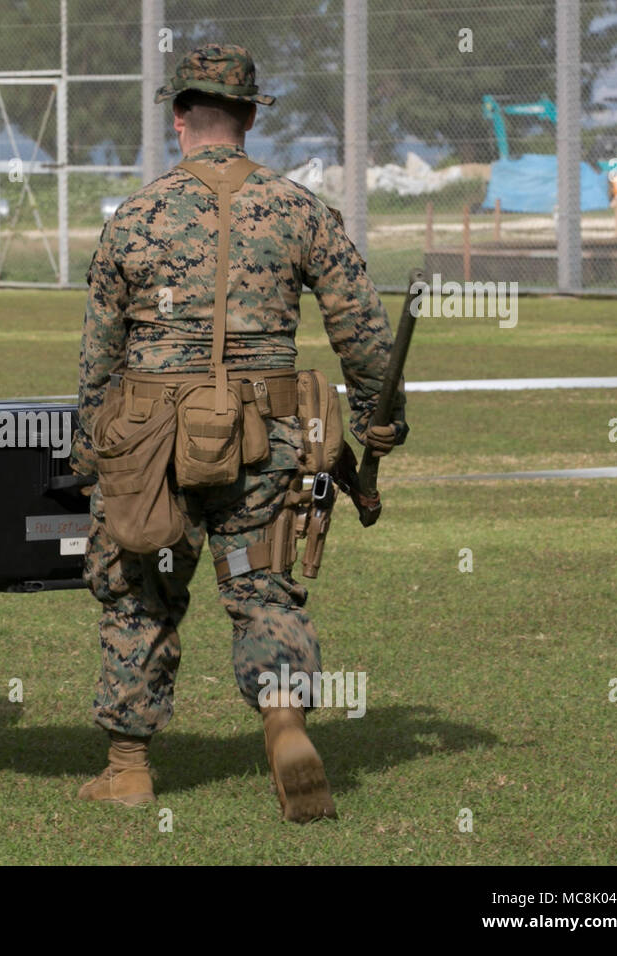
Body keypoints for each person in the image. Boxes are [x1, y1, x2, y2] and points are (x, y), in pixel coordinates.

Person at [71, 44, 407, 822]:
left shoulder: (135, 215)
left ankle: (128, 766)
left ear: (180, 118)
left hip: (152, 441)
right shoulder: (300, 209)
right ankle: (284, 725)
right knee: (264, 586)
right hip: (271, 433)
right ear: (251, 119)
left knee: (139, 589)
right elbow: (363, 332)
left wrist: (91, 452)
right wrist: (377, 420)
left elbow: (98, 353)